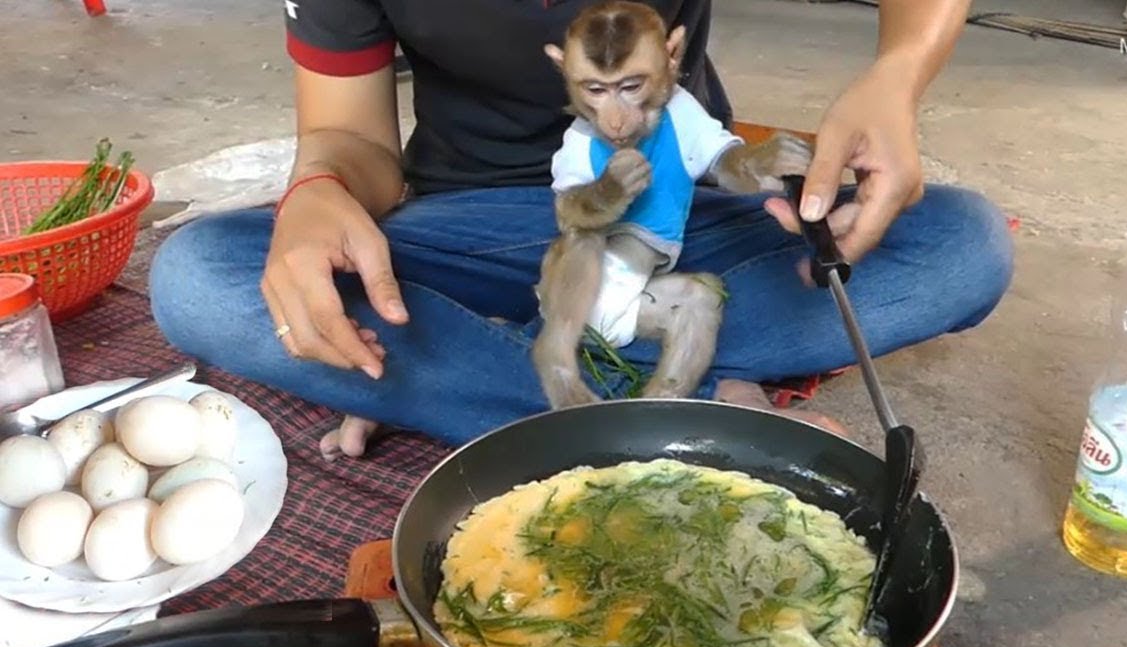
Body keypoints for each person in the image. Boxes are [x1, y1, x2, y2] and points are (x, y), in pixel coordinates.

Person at [148, 0, 1012, 456]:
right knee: (199, 276)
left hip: (685, 226)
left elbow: (729, 162)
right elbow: (348, 139)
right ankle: (701, 413)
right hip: (464, 226)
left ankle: (458, 376)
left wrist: (894, 77)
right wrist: (320, 186)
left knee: (962, 243)